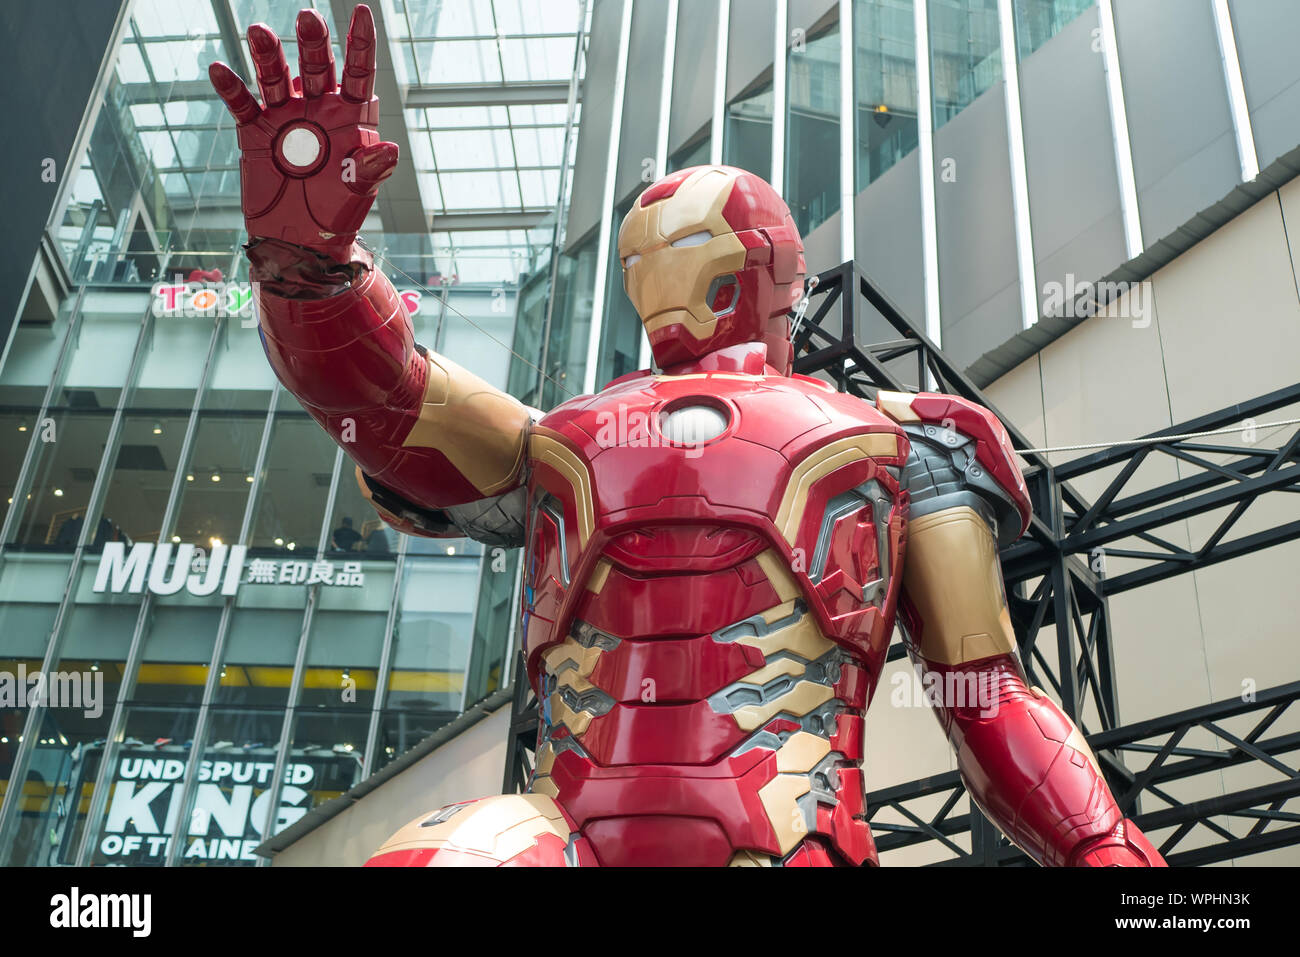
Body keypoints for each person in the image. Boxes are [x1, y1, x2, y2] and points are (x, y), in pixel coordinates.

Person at [211, 6, 1163, 867]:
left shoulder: (891, 445)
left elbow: (985, 696)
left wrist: (1110, 856)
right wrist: (308, 269)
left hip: (787, 834)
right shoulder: (570, 443)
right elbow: (383, 399)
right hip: (568, 831)